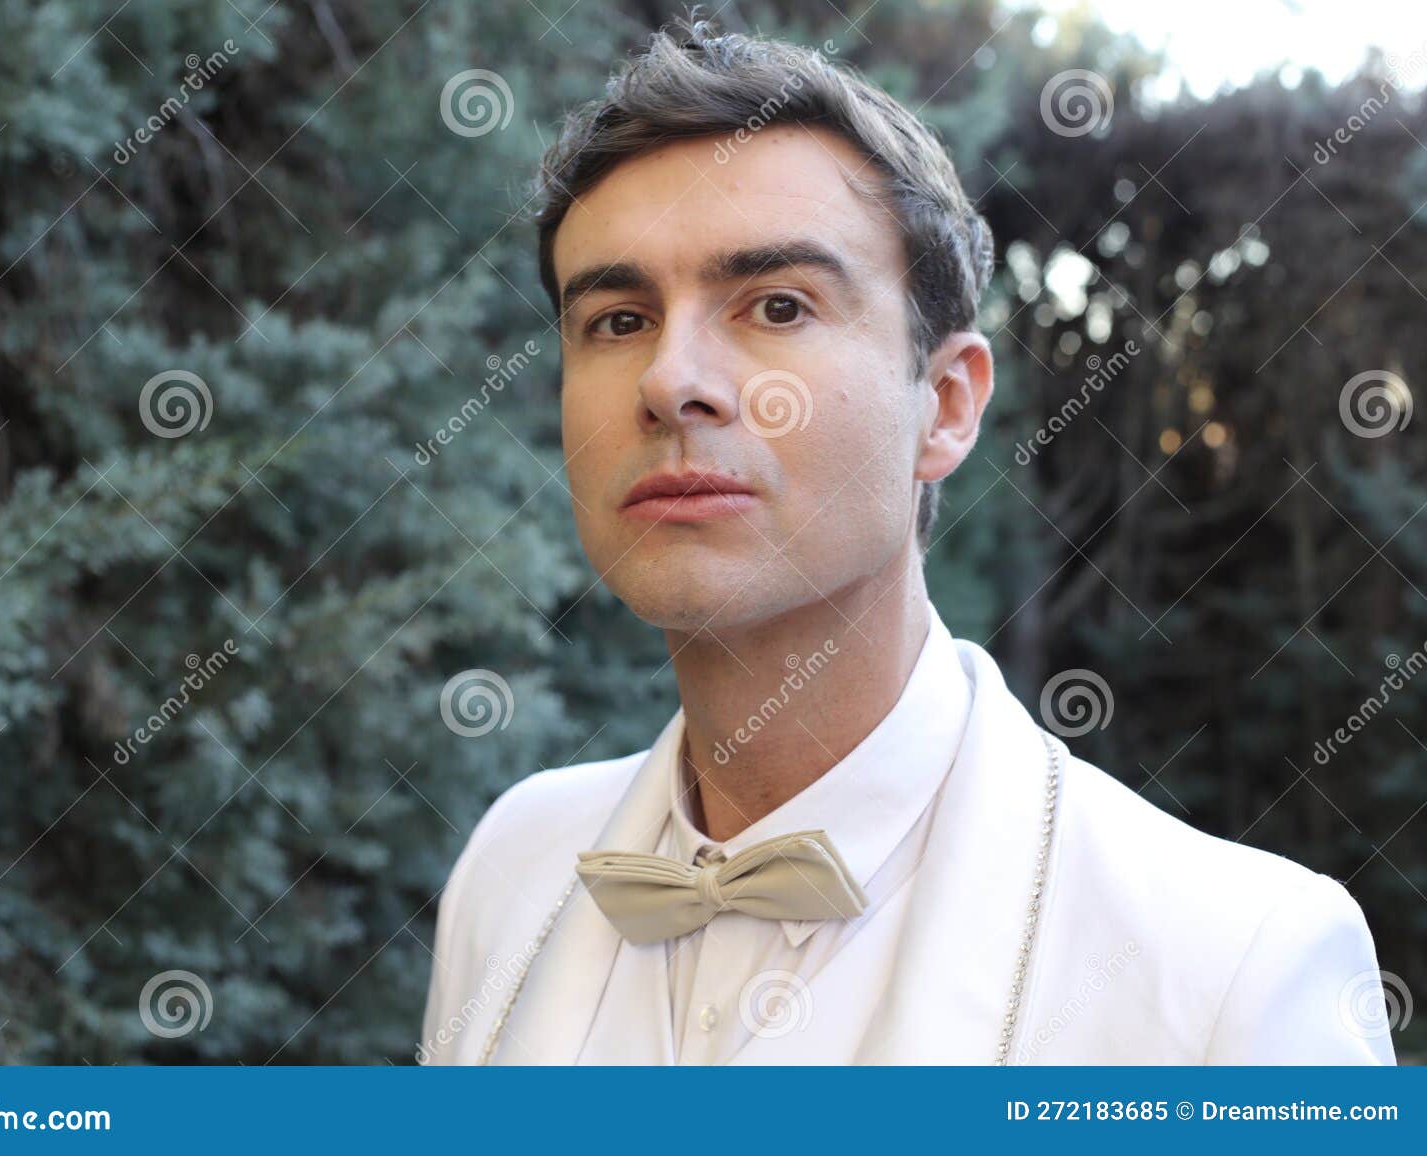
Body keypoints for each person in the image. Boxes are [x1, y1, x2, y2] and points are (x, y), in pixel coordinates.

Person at [419, 17, 1394, 1066]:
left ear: (943, 404)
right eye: (616, 320)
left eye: (777, 305)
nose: (669, 379)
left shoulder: (1233, 970)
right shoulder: (510, 869)